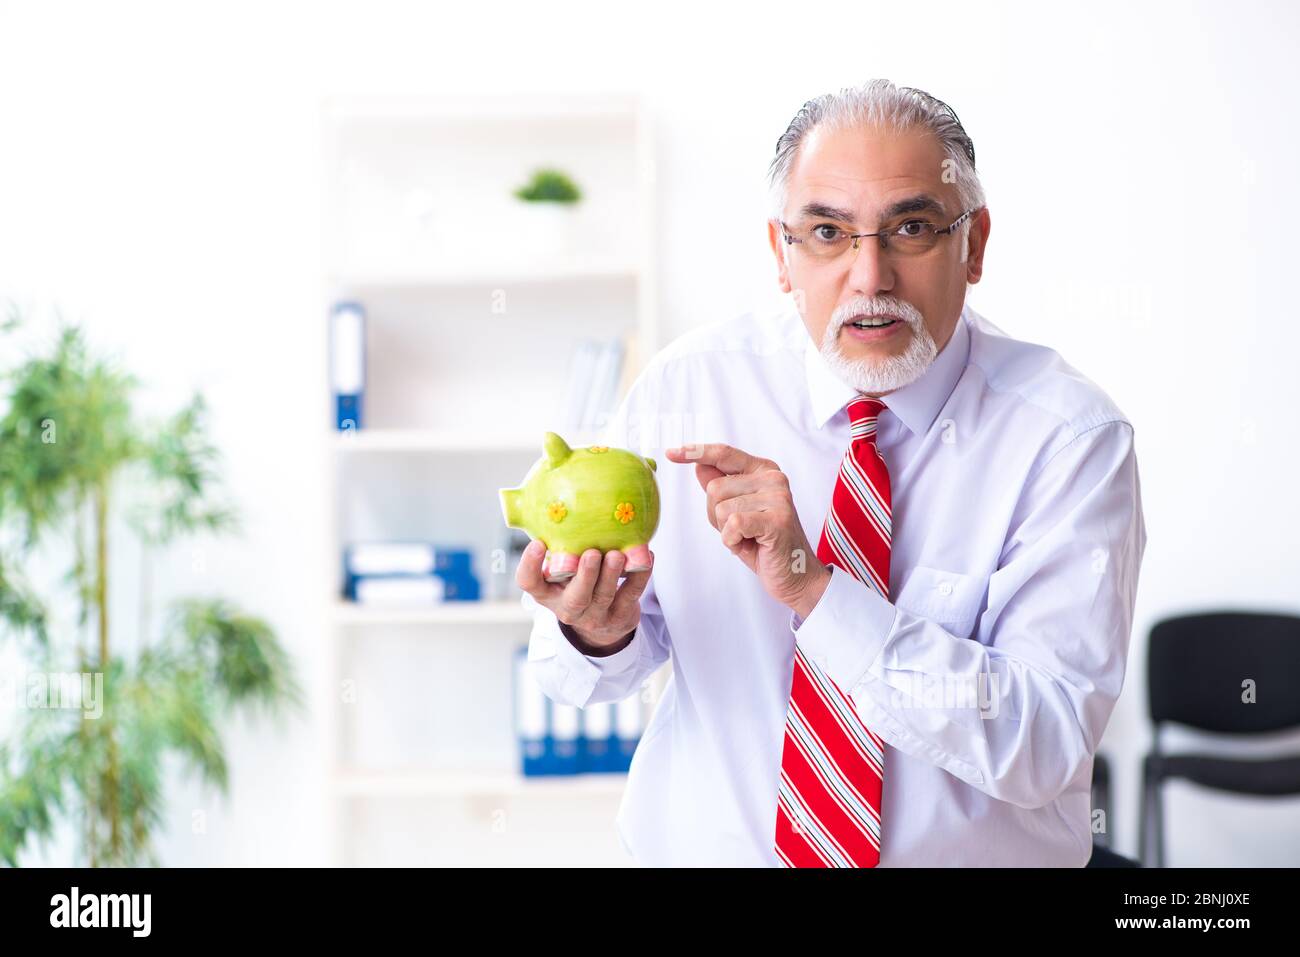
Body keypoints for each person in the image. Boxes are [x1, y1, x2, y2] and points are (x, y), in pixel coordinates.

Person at [518, 79, 1147, 867]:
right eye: (827, 232)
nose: (869, 276)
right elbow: (576, 678)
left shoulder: (1068, 441)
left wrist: (816, 593)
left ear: (974, 243)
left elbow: (1044, 741)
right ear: (782, 254)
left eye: (910, 227)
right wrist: (595, 629)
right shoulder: (689, 392)